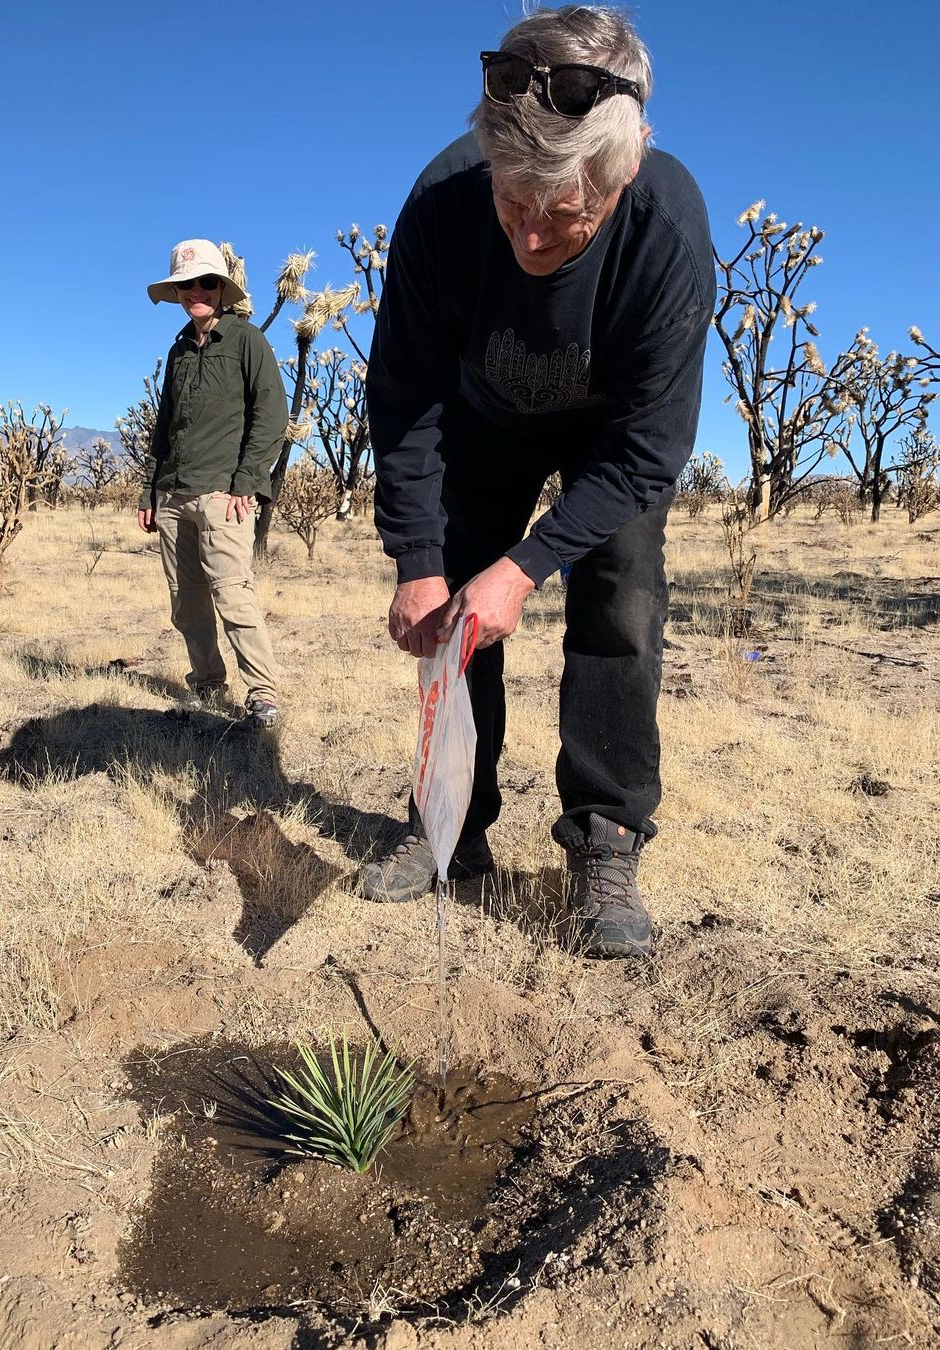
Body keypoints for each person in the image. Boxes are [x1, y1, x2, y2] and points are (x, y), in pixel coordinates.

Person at [358, 6, 715, 958]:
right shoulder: (444, 203)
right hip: (480, 418)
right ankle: (451, 827)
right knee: (452, 620)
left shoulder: (665, 230)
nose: (527, 235)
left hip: (607, 440)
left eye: (560, 212)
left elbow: (648, 448)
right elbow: (402, 395)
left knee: (621, 607)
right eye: (511, 201)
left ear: (624, 165)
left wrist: (528, 568)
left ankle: (606, 835)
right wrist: (421, 561)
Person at [139, 239, 288, 729]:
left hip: (224, 494)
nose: (195, 291)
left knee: (233, 593)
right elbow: (165, 426)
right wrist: (150, 490)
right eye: (186, 284)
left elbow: (272, 414)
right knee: (186, 598)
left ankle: (262, 693)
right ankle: (206, 684)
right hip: (175, 493)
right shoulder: (179, 349)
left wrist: (247, 481)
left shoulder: (248, 341)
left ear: (222, 289)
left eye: (206, 282)